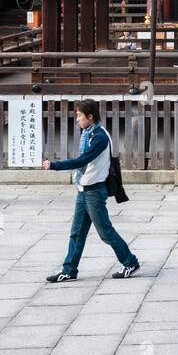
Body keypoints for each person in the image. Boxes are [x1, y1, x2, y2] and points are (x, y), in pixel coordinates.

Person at [42, 99, 140, 281]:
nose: (77, 119)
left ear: (90, 116)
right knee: (77, 232)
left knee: (105, 232)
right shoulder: (89, 133)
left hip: (94, 191)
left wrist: (55, 165)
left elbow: (82, 160)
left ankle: (130, 262)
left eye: (80, 115)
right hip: (84, 189)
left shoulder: (100, 137)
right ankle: (69, 270)